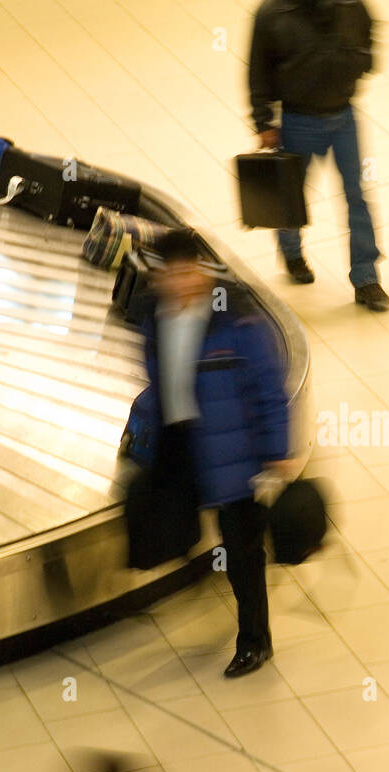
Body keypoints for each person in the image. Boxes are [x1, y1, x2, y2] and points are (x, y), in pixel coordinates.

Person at [130, 228, 295, 678]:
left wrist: (277, 451)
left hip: (233, 454)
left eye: (189, 272)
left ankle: (254, 641)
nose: (182, 283)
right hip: (182, 443)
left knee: (243, 550)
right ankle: (203, 583)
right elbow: (159, 384)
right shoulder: (155, 319)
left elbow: (268, 389)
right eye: (172, 274)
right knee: (175, 526)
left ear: (203, 271)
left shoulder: (236, 321)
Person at [248, 0, 389, 312]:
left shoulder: (350, 5)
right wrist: (262, 121)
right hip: (298, 120)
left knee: (357, 196)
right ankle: (291, 250)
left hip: (344, 115)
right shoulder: (273, 13)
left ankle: (366, 278)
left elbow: (369, 36)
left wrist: (358, 62)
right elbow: (258, 68)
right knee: (292, 195)